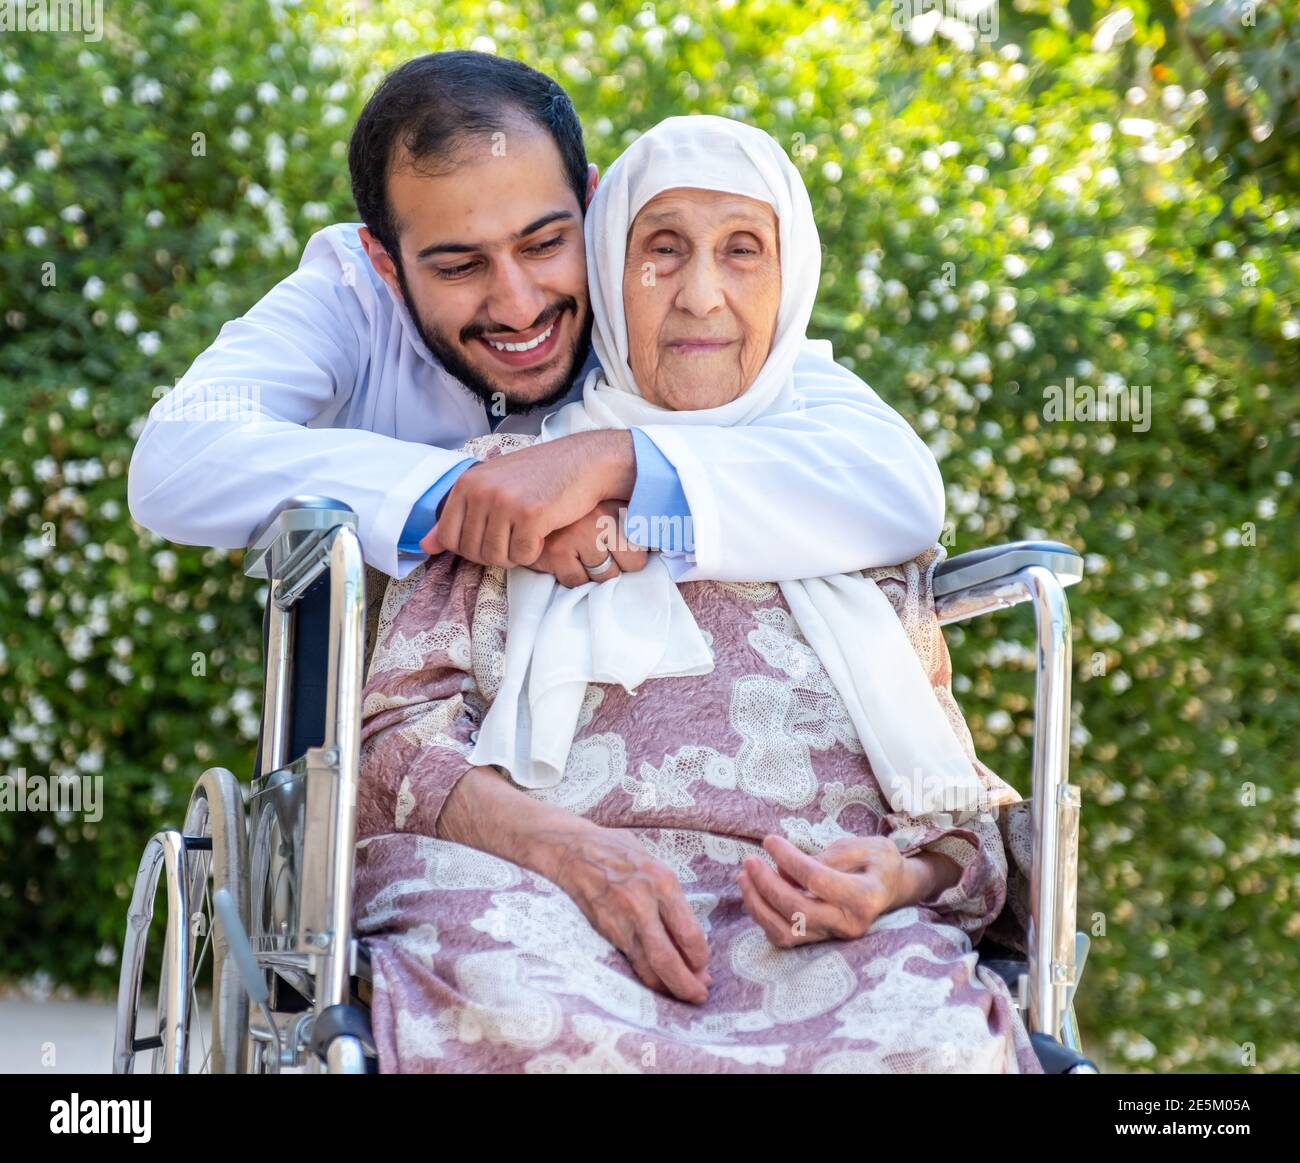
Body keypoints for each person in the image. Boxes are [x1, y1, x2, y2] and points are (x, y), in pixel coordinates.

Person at [350, 114, 1041, 1074]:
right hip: (535, 890)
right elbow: (395, 744)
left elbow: (950, 812)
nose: (702, 294)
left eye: (744, 252)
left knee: (928, 1040)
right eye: (662, 250)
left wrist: (895, 879)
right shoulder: (515, 482)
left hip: (806, 921)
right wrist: (572, 854)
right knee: (505, 1014)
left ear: (790, 280)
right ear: (605, 268)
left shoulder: (846, 499)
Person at [125, 51, 944, 586]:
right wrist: (472, 500)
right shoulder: (347, 292)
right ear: (385, 261)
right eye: (458, 265)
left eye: (546, 243)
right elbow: (177, 459)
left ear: (591, 204)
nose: (518, 304)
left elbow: (888, 480)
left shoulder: (656, 298)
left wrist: (609, 462)